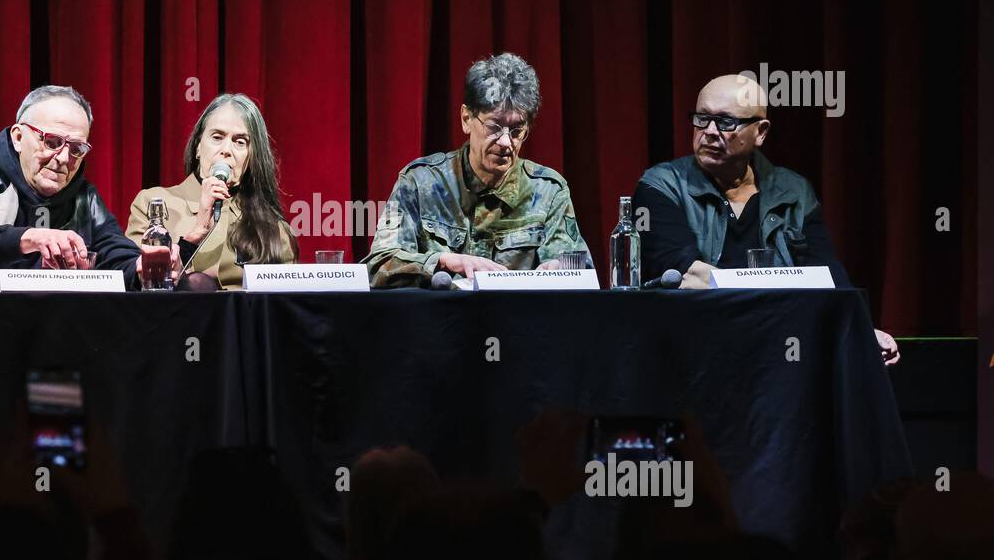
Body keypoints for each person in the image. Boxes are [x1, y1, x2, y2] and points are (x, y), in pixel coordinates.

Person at [632, 74, 900, 365]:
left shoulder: (793, 190)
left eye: (725, 123)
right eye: (701, 118)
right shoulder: (661, 185)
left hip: (780, 343)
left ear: (760, 132)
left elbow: (826, 273)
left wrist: (862, 328)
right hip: (696, 342)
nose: (709, 131)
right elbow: (683, 272)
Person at [363, 52, 590, 287]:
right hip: (439, 319)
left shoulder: (548, 192)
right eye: (494, 127)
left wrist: (563, 269)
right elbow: (379, 265)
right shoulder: (420, 183)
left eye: (516, 131)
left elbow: (581, 272)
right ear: (466, 118)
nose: (505, 142)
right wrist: (443, 261)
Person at [0, 85, 175, 292]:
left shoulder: (84, 197)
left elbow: (114, 252)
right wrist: (32, 237)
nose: (64, 158)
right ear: (18, 138)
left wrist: (140, 266)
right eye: (52, 142)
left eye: (76, 149)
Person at [126, 93, 297, 290]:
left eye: (240, 142)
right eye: (217, 137)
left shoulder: (274, 228)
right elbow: (139, 285)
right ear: (198, 146)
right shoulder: (153, 203)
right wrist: (198, 229)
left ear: (251, 158)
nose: (226, 150)